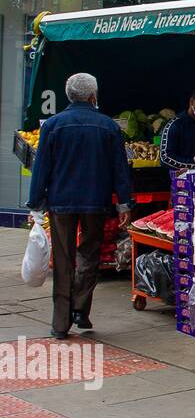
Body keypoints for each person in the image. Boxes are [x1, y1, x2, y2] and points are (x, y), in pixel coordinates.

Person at [25, 73, 132, 338]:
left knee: (63, 259)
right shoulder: (109, 126)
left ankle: (60, 324)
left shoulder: (53, 125)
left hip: (61, 202)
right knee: (89, 254)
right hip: (95, 201)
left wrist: (35, 202)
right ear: (93, 96)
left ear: (69, 95)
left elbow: (42, 169)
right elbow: (120, 170)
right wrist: (124, 204)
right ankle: (80, 310)